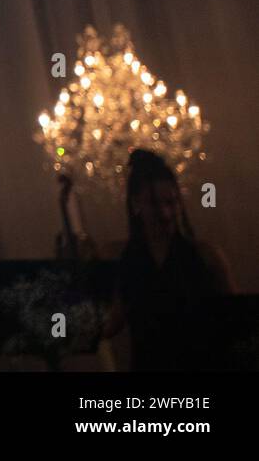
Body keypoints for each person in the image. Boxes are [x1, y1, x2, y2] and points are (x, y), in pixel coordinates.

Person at [102, 149, 235, 369]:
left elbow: (235, 322)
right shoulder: (120, 258)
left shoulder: (207, 255)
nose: (165, 214)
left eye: (171, 203)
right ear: (135, 204)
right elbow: (109, 325)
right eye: (154, 204)